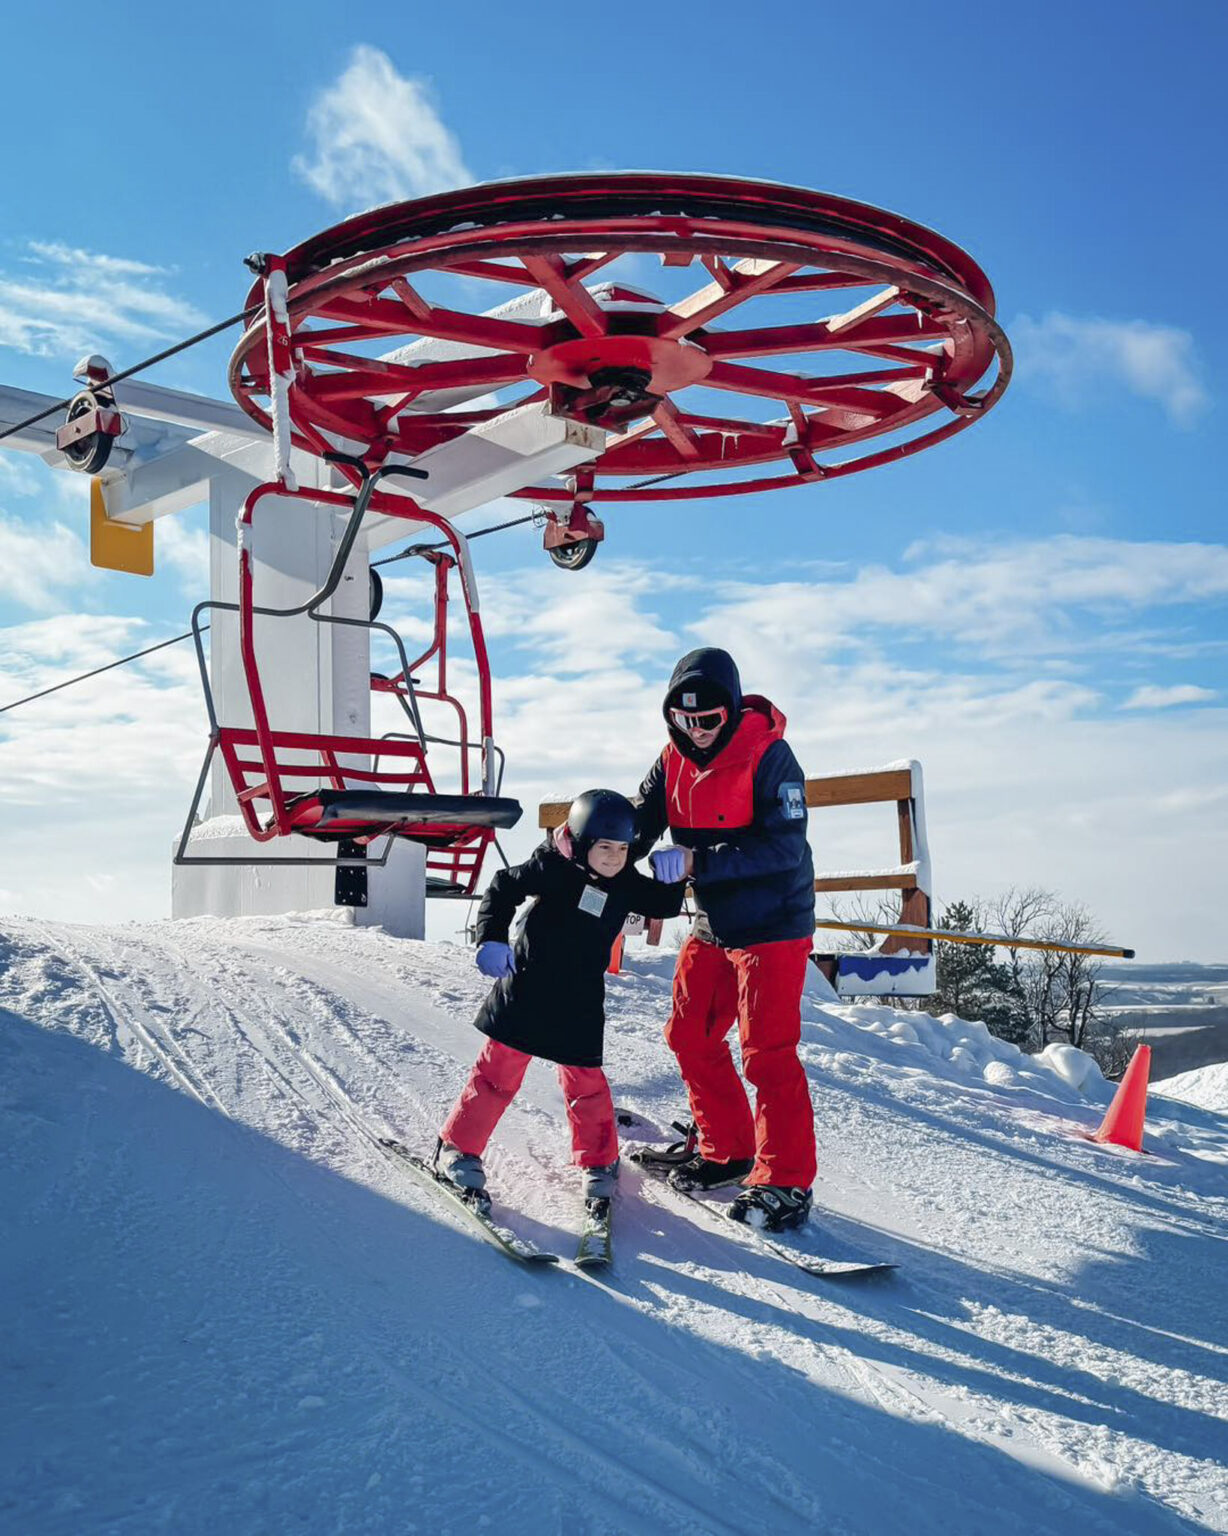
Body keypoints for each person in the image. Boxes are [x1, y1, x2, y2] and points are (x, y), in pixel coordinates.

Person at [633, 648, 818, 1232]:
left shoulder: (770, 756)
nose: (697, 733)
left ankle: (785, 1179)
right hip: (715, 923)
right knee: (690, 1034)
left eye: (708, 720)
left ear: (731, 711)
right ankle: (727, 1150)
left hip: (773, 923)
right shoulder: (672, 759)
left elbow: (784, 847)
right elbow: (639, 820)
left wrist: (698, 860)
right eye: (684, 721)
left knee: (767, 1052)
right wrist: (587, 842)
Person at [436, 789, 687, 1212]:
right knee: (497, 1074)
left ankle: (599, 1162)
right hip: (528, 986)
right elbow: (502, 887)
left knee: (586, 1084)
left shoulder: (624, 882)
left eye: (623, 848)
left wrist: (676, 873)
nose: (613, 857)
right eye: (604, 847)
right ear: (582, 842)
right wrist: (492, 940)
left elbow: (662, 902)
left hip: (581, 996)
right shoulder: (551, 867)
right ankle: (456, 1148)